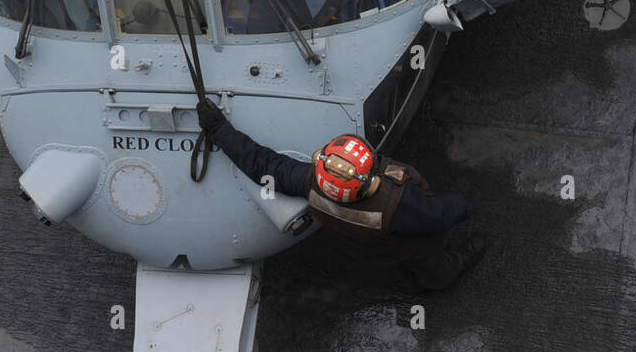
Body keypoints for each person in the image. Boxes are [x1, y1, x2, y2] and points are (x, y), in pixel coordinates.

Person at [197, 99, 486, 291]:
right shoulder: (399, 206)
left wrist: (219, 129)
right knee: (433, 272)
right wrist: (465, 207)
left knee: (391, 266)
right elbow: (439, 215)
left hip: (369, 251)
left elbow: (260, 163)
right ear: (371, 182)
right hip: (410, 249)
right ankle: (455, 266)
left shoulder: (310, 183)